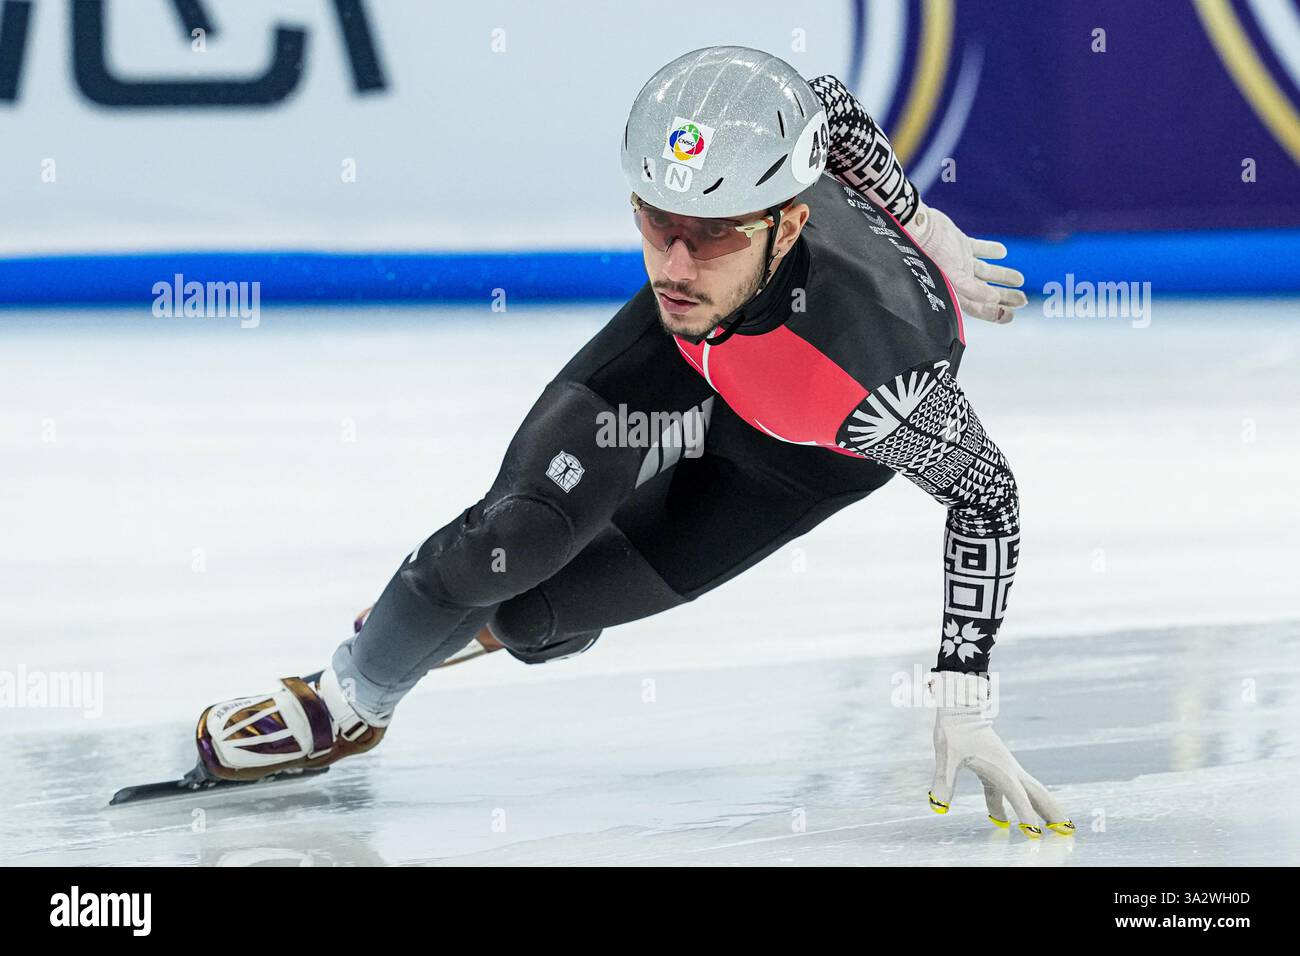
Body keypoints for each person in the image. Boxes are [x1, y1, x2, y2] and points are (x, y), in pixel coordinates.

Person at [193, 46, 1072, 838]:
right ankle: (348, 698)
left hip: (794, 458)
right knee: (514, 537)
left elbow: (986, 495)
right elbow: (828, 102)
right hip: (686, 360)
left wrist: (964, 699)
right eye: (658, 222)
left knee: (529, 617)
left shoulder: (884, 384)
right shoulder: (696, 283)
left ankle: (493, 619)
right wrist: (914, 213)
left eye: (715, 235)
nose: (676, 267)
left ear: (790, 224)